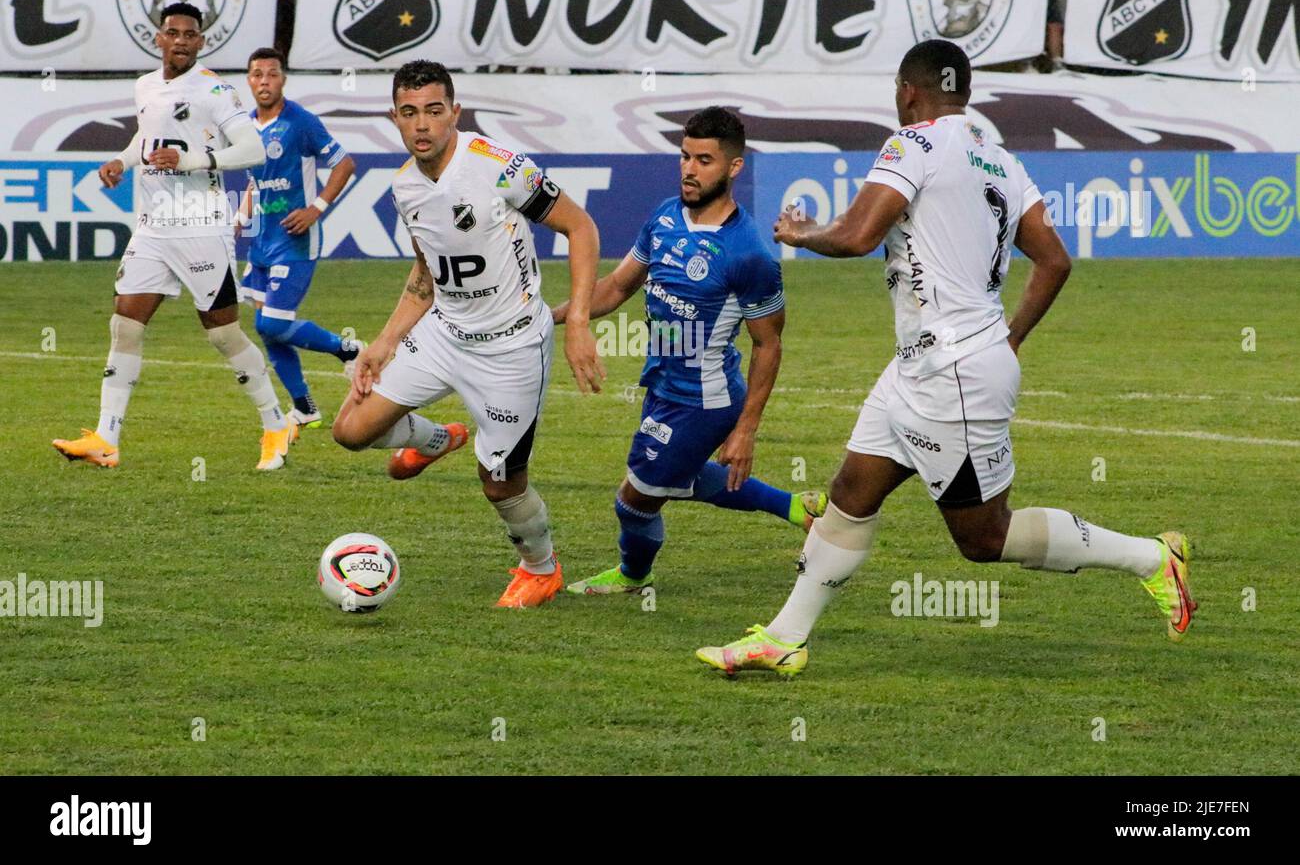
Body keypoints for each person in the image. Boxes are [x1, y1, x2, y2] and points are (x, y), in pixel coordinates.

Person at [696, 40, 1195, 678]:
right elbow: (1055, 261)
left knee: (983, 540)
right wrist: (1007, 338)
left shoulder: (913, 145)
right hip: (926, 366)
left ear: (908, 91)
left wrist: (800, 233)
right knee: (850, 493)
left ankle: (1151, 558)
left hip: (951, 375)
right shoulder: (1001, 161)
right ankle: (784, 637)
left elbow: (854, 236)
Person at [331, 60, 605, 608]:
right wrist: (382, 345)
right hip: (444, 333)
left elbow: (581, 227)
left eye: (434, 111)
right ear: (395, 118)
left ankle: (541, 567)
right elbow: (425, 276)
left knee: (500, 482)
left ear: (455, 113)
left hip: (512, 349)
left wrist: (576, 321)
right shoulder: (404, 187)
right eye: (409, 114)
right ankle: (438, 439)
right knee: (350, 430)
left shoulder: (496, 165)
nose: (423, 125)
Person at [558, 108, 827, 597]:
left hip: (705, 400)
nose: (689, 169)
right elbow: (617, 287)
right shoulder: (663, 216)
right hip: (663, 384)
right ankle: (796, 508)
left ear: (733, 168)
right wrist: (555, 315)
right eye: (685, 157)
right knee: (680, 477)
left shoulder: (747, 254)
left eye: (704, 160)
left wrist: (745, 429)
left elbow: (768, 345)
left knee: (634, 500)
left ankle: (633, 576)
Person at [54, 2, 295, 471]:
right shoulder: (144, 85)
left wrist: (194, 162)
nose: (181, 40)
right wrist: (122, 162)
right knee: (124, 323)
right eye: (173, 32)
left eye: (190, 34)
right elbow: (145, 136)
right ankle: (107, 437)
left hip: (201, 225)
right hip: (154, 227)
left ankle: (274, 423)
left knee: (223, 333)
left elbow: (254, 149)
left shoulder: (215, 90)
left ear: (201, 42)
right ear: (158, 39)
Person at [238, 47, 362, 429]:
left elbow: (345, 163)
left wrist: (317, 208)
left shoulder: (301, 122)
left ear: (283, 79)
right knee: (266, 327)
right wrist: (241, 215)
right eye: (257, 74)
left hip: (294, 240)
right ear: (249, 80)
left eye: (271, 74)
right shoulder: (243, 126)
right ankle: (305, 406)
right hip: (261, 242)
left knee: (272, 325)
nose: (264, 81)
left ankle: (348, 349)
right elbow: (254, 181)